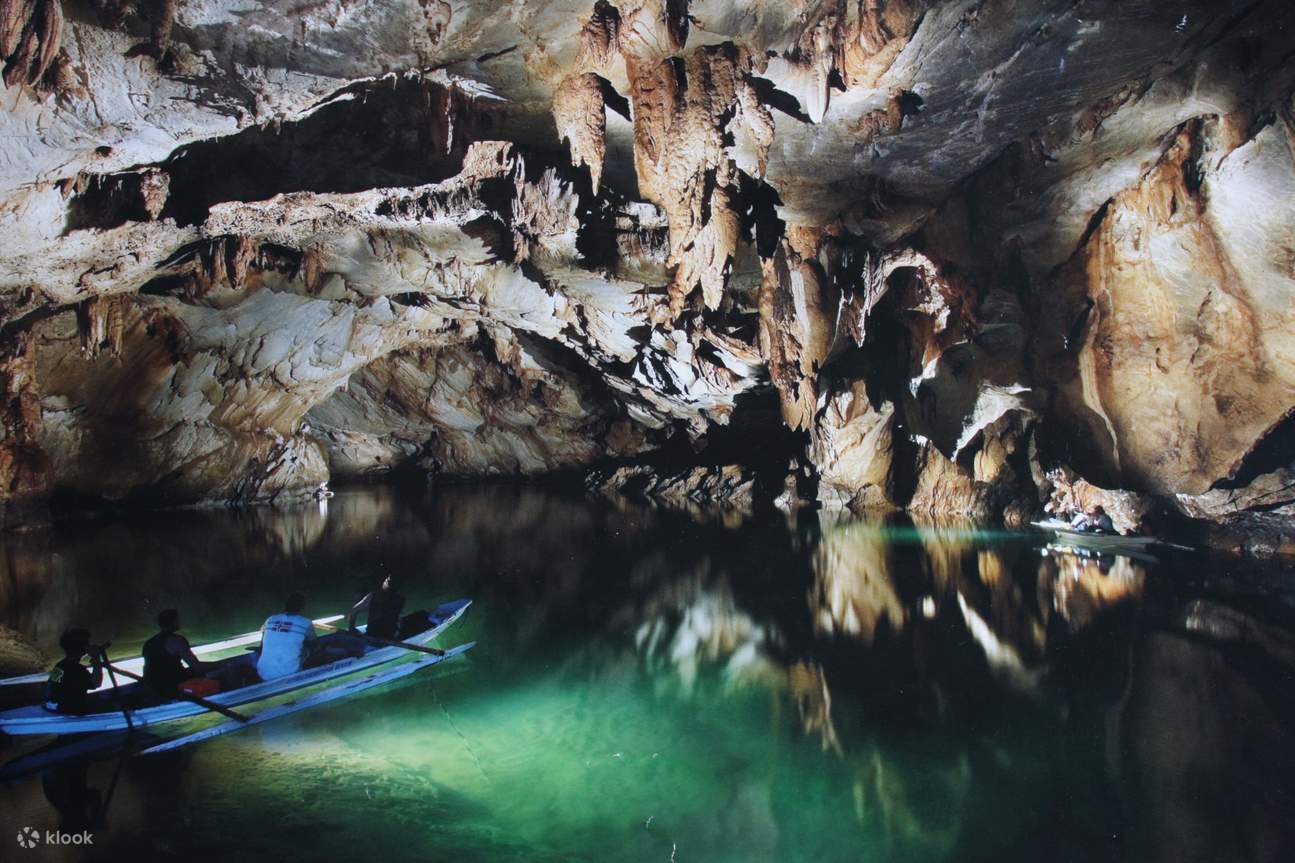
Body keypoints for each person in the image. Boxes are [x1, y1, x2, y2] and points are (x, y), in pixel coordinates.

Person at [142, 609, 212, 698]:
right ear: (174, 622)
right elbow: (197, 666)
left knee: (191, 672)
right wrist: (221, 664)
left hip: (155, 689)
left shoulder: (149, 643)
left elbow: (146, 670)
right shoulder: (177, 640)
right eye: (178, 620)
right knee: (204, 676)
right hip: (177, 689)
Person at [256, 593, 318, 681]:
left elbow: (262, 645)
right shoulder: (306, 622)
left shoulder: (270, 619)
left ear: (285, 606)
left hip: (262, 672)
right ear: (302, 607)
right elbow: (314, 643)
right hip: (289, 673)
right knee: (308, 649)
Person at [45, 629, 104, 714]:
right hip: (72, 711)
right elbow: (96, 683)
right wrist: (96, 658)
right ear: (82, 648)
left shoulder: (60, 665)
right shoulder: (76, 669)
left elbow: (51, 687)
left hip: (59, 708)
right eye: (86, 644)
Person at [346, 575, 406, 640]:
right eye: (386, 580)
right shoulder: (400, 599)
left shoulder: (373, 596)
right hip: (382, 634)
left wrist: (351, 628)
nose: (385, 582)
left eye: (387, 581)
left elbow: (354, 610)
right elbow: (398, 617)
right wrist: (352, 629)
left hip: (380, 634)